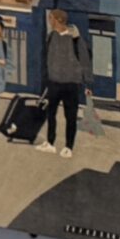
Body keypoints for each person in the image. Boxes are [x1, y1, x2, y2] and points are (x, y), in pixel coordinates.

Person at [42, 8, 88, 157]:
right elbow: (47, 59)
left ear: (58, 20)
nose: (49, 22)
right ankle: (50, 143)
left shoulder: (75, 39)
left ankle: (68, 147)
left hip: (70, 84)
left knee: (71, 116)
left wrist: (87, 83)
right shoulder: (51, 37)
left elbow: (85, 60)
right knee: (51, 114)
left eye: (51, 19)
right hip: (54, 82)